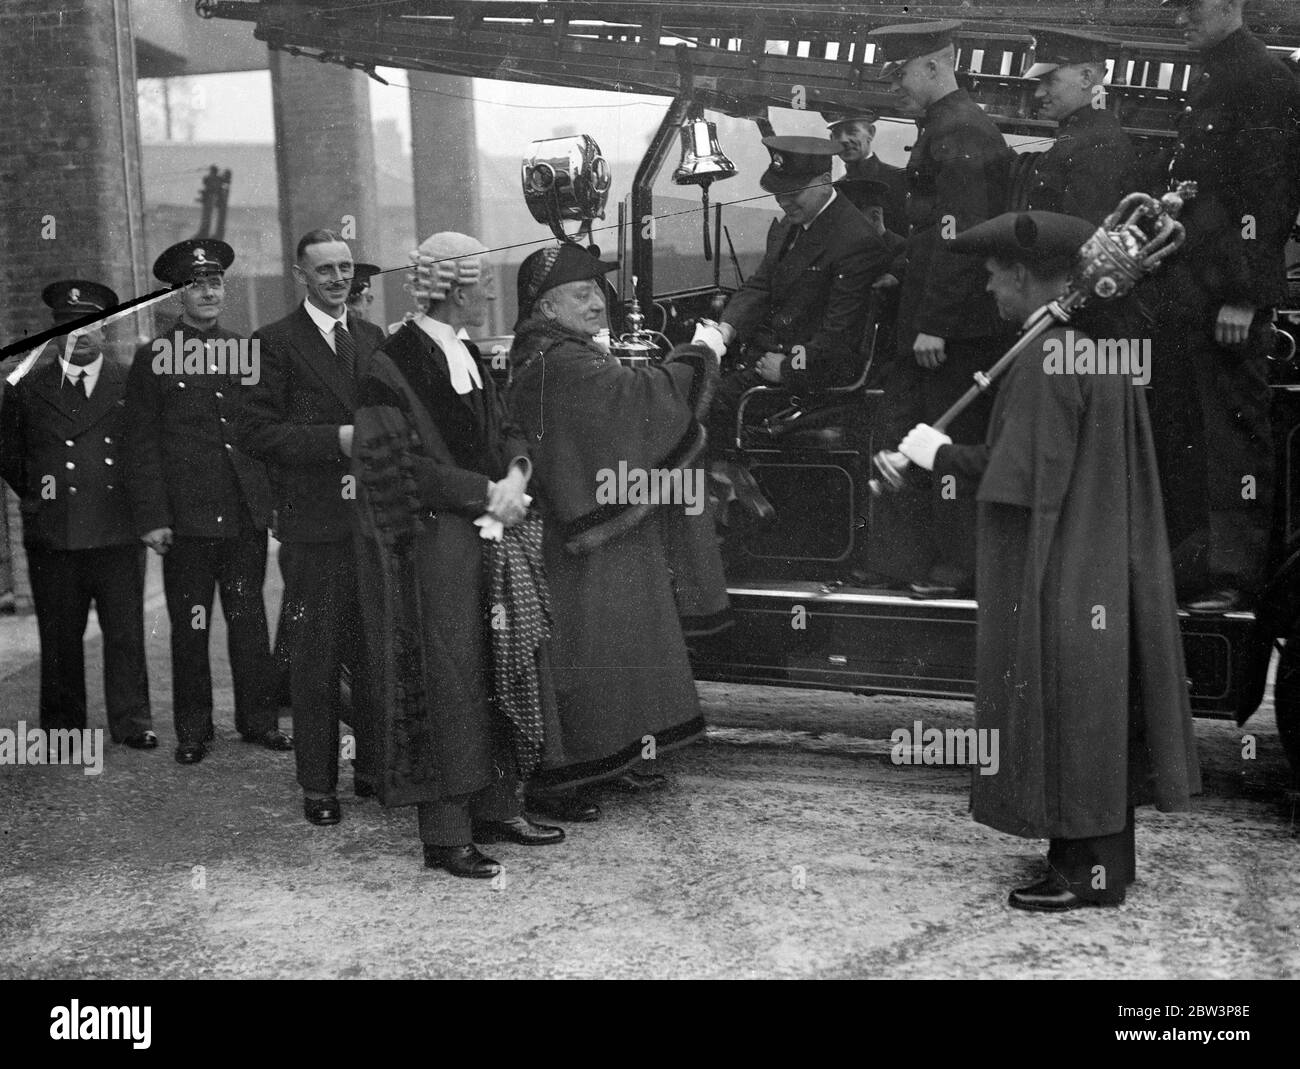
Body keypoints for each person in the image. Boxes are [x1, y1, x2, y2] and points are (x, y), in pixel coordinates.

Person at [896, 211, 1201, 910]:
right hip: (1101, 556)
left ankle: (1082, 873)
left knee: (1065, 709)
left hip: (1062, 564)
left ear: (1027, 276)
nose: (989, 286)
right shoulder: (1095, 345)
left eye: (996, 274)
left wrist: (934, 453)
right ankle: (1097, 864)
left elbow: (1021, 473)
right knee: (1096, 714)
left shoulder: (1042, 354)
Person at [352, 231, 563, 877]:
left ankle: (498, 804)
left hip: (488, 534)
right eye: (481, 280)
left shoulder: (467, 351)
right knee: (450, 681)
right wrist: (485, 492)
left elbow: (505, 431)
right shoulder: (389, 363)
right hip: (434, 544)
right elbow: (393, 466)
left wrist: (517, 475)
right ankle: (446, 832)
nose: (493, 290)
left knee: (499, 669)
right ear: (451, 286)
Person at [508, 243, 729, 814]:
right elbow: (638, 399)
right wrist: (700, 353)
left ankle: (614, 758)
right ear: (546, 308)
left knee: (619, 646)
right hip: (575, 542)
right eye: (581, 294)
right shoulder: (559, 362)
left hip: (602, 529)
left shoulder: (564, 353)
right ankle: (567, 777)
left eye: (598, 292)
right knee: (588, 651)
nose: (597, 303)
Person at [1142, 0, 1300, 613]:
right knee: (1188, 430)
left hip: (1227, 296)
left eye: (1193, 8)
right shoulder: (1214, 76)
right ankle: (1194, 566)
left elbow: (1269, 194)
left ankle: (1233, 573)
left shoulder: (1264, 80)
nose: (1181, 18)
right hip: (1192, 289)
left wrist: (1244, 295)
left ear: (1231, 5)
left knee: (1231, 433)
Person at [235, 229, 385, 826]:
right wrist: (337, 440)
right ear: (300, 275)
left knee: (374, 652)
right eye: (324, 270)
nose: (337, 278)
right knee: (317, 662)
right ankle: (318, 786)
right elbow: (253, 432)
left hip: (372, 525)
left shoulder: (373, 338)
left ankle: (373, 769)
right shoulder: (271, 344)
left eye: (345, 267)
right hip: (313, 530)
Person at [124, 239, 291, 765]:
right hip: (187, 522)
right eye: (195, 285)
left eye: (215, 283)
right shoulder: (154, 357)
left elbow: (262, 431)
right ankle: (194, 730)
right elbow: (140, 443)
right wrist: (153, 518)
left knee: (248, 621)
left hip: (242, 513)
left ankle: (258, 721)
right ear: (176, 295)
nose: (207, 292)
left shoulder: (243, 350)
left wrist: (270, 502)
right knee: (192, 625)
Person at [864, 20, 1014, 598]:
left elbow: (962, 239)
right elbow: (933, 234)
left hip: (950, 330)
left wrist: (935, 324)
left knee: (944, 441)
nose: (895, 86)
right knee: (913, 434)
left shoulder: (960, 133)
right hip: (931, 319)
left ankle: (955, 569)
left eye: (901, 73)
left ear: (933, 66)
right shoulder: (945, 129)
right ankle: (906, 563)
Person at [0, 280, 155, 748]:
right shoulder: (27, 387)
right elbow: (9, 454)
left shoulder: (130, 381)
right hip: (55, 532)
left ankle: (132, 722)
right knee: (60, 635)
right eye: (69, 327)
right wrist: (41, 494)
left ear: (105, 331)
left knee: (125, 633)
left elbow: (145, 452)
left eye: (91, 326)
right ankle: (64, 728)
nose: (80, 336)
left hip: (117, 528)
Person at [708, 135, 882, 513]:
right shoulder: (794, 222)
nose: (784, 203)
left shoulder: (854, 239)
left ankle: (724, 516)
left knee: (699, 402)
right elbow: (761, 285)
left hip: (808, 377)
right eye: (778, 194)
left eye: (793, 193)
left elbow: (839, 338)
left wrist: (788, 368)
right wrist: (723, 331)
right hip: (762, 358)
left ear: (823, 181)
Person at [1022, 28, 1138, 225]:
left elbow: (1080, 237)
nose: (1039, 93)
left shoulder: (1099, 146)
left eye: (1050, 80)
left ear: (1086, 78)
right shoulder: (1086, 134)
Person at [827, 111, 907, 236]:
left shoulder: (900, 179)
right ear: (831, 139)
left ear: (871, 133)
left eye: (852, 131)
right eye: (837, 134)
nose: (843, 139)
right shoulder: (834, 189)